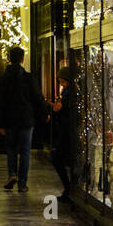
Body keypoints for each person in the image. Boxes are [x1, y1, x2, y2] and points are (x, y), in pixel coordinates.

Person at [0, 46, 47, 193]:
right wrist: (44, 113)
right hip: (26, 119)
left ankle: (12, 174)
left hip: (9, 120)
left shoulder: (4, 78)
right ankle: (22, 182)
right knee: (25, 151)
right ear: (22, 59)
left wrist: (0, 123)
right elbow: (38, 98)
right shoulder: (28, 77)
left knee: (11, 149)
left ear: (9, 59)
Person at [49, 64, 74, 203]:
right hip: (65, 130)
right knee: (57, 157)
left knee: (57, 157)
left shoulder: (70, 93)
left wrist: (60, 108)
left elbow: (67, 110)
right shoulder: (67, 92)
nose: (62, 85)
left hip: (67, 131)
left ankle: (69, 188)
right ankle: (69, 188)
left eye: (63, 82)